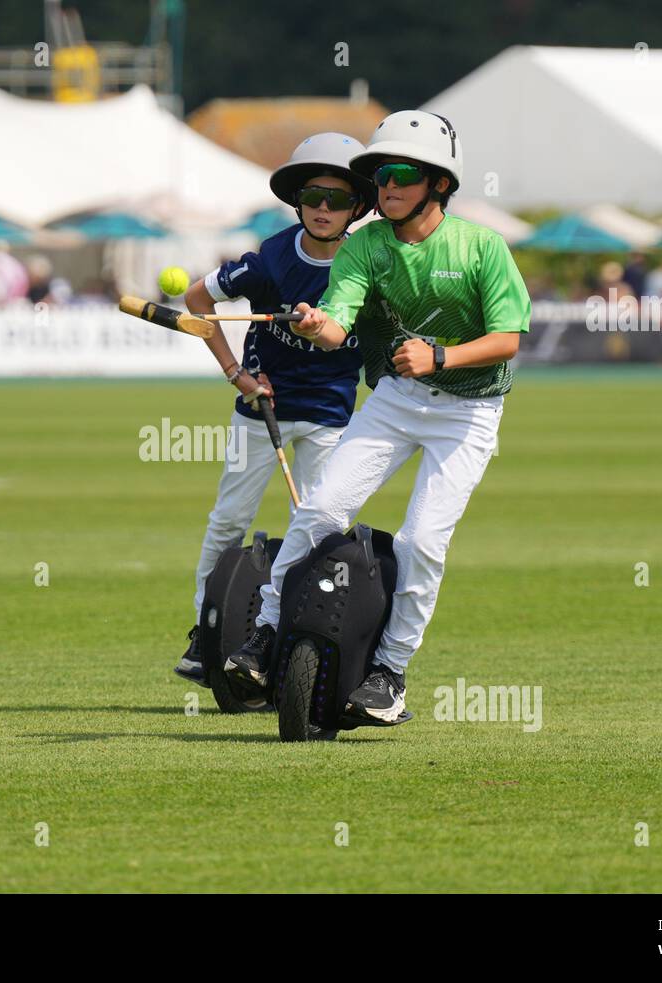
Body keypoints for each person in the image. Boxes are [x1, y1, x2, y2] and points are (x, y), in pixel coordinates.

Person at [224, 111, 530, 725]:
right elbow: (339, 322)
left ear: (439, 183)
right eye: (378, 176)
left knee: (421, 541)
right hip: (395, 400)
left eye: (400, 174)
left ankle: (390, 674)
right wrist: (317, 323)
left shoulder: (481, 247)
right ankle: (262, 634)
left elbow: (508, 338)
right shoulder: (364, 245)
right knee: (318, 511)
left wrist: (440, 355)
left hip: (469, 413)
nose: (385, 187)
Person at [173, 133, 376, 687]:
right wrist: (237, 375)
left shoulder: (371, 262)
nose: (324, 208)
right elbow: (197, 302)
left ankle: (294, 641)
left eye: (337, 198)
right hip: (261, 409)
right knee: (229, 521)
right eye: (314, 196)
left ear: (357, 205)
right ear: (298, 201)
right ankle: (205, 633)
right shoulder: (270, 258)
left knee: (317, 527)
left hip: (331, 417)